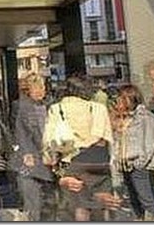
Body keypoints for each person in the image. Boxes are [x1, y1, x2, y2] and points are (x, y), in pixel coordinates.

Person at [43, 75, 116, 221]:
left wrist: (53, 167)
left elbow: (50, 141)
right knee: (100, 204)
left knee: (76, 206)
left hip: (71, 161)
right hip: (98, 160)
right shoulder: (98, 108)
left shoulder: (57, 109)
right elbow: (107, 138)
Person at [112, 84, 154, 220]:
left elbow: (150, 142)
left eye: (121, 99)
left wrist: (140, 163)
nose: (118, 102)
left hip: (139, 164)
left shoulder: (145, 117)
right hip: (125, 164)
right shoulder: (124, 118)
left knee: (147, 198)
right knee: (133, 200)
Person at [12, 73, 56, 221]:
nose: (40, 91)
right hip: (30, 162)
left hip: (46, 162)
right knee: (34, 205)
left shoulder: (47, 106)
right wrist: (26, 153)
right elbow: (19, 133)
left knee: (48, 205)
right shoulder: (21, 107)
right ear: (27, 90)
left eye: (42, 87)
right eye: (36, 87)